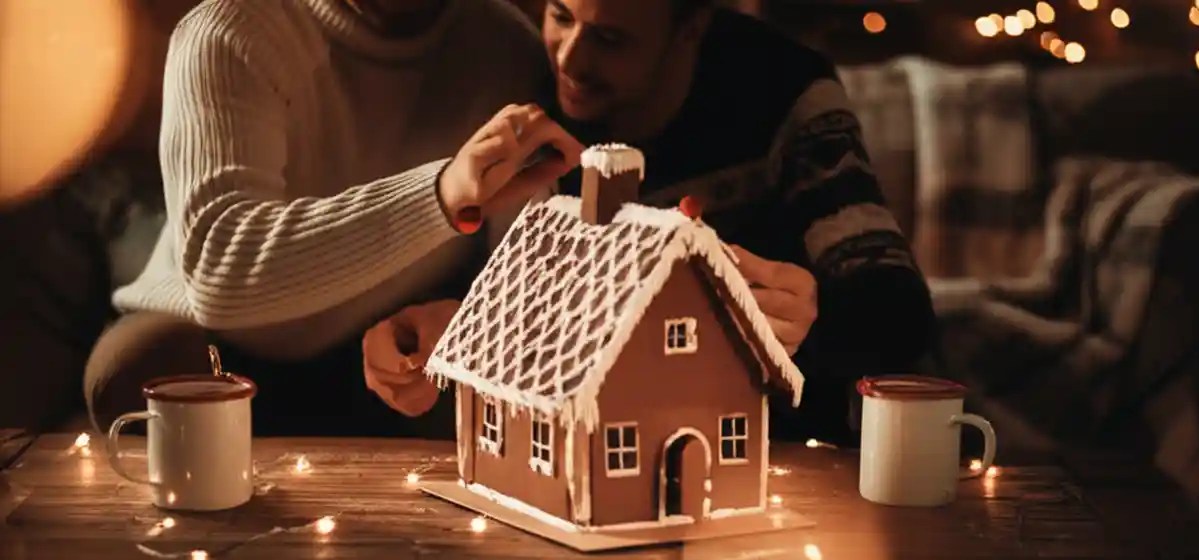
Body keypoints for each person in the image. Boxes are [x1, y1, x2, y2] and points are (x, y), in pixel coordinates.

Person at [368, 0, 936, 447]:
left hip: (772, 454)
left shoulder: (781, 87)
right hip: (570, 458)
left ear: (691, 28)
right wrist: (431, 325)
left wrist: (810, 318)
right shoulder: (522, 88)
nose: (570, 59)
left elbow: (898, 317)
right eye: (560, 15)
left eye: (611, 39)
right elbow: (504, 282)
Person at [86, 0, 583, 438]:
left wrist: (454, 321)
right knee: (135, 365)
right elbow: (221, 274)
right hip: (217, 343)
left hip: (385, 339)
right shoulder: (229, 30)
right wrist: (440, 195)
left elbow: (525, 275)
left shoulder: (504, 47)